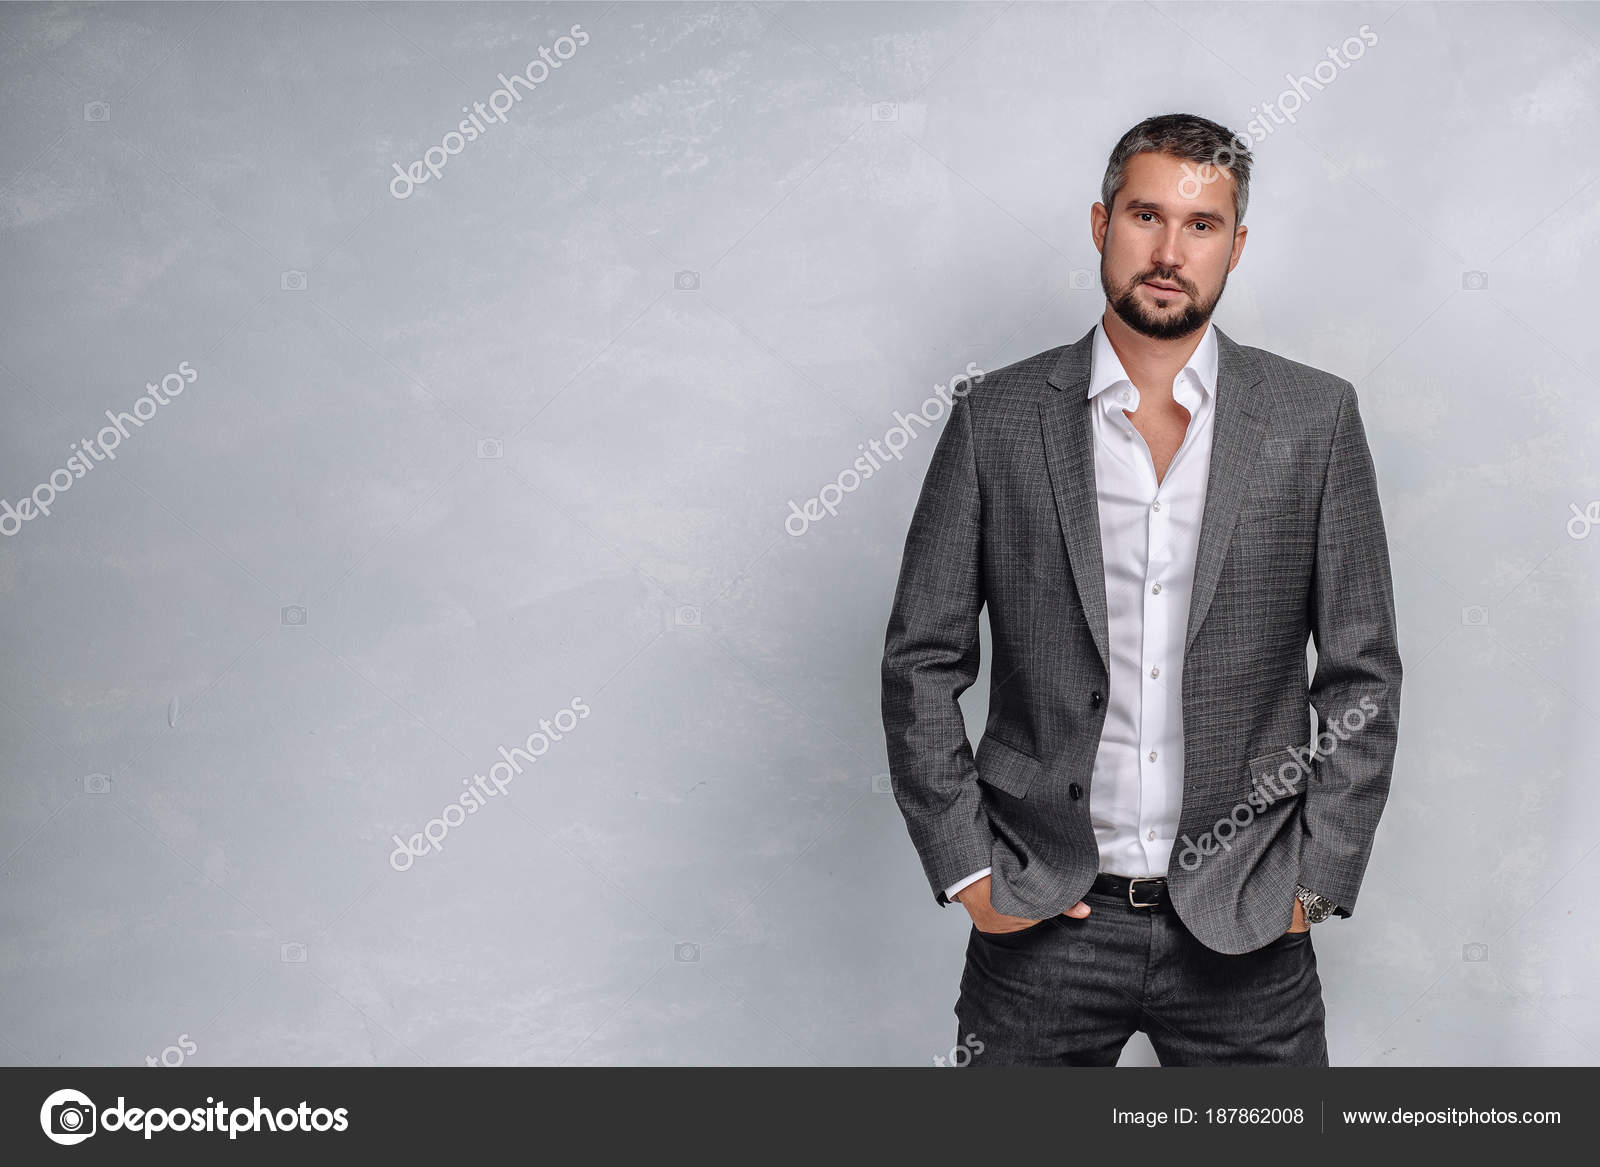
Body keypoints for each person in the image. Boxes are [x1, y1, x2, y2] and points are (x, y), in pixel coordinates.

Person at [880, 112, 1402, 1066]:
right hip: (1042, 920)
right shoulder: (996, 416)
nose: (1169, 251)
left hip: (1248, 926)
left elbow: (1363, 675)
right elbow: (920, 659)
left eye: (1201, 225)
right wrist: (967, 868)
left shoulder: (1314, 417)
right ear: (1100, 222)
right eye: (1146, 216)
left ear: (1236, 246)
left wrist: (1315, 881)